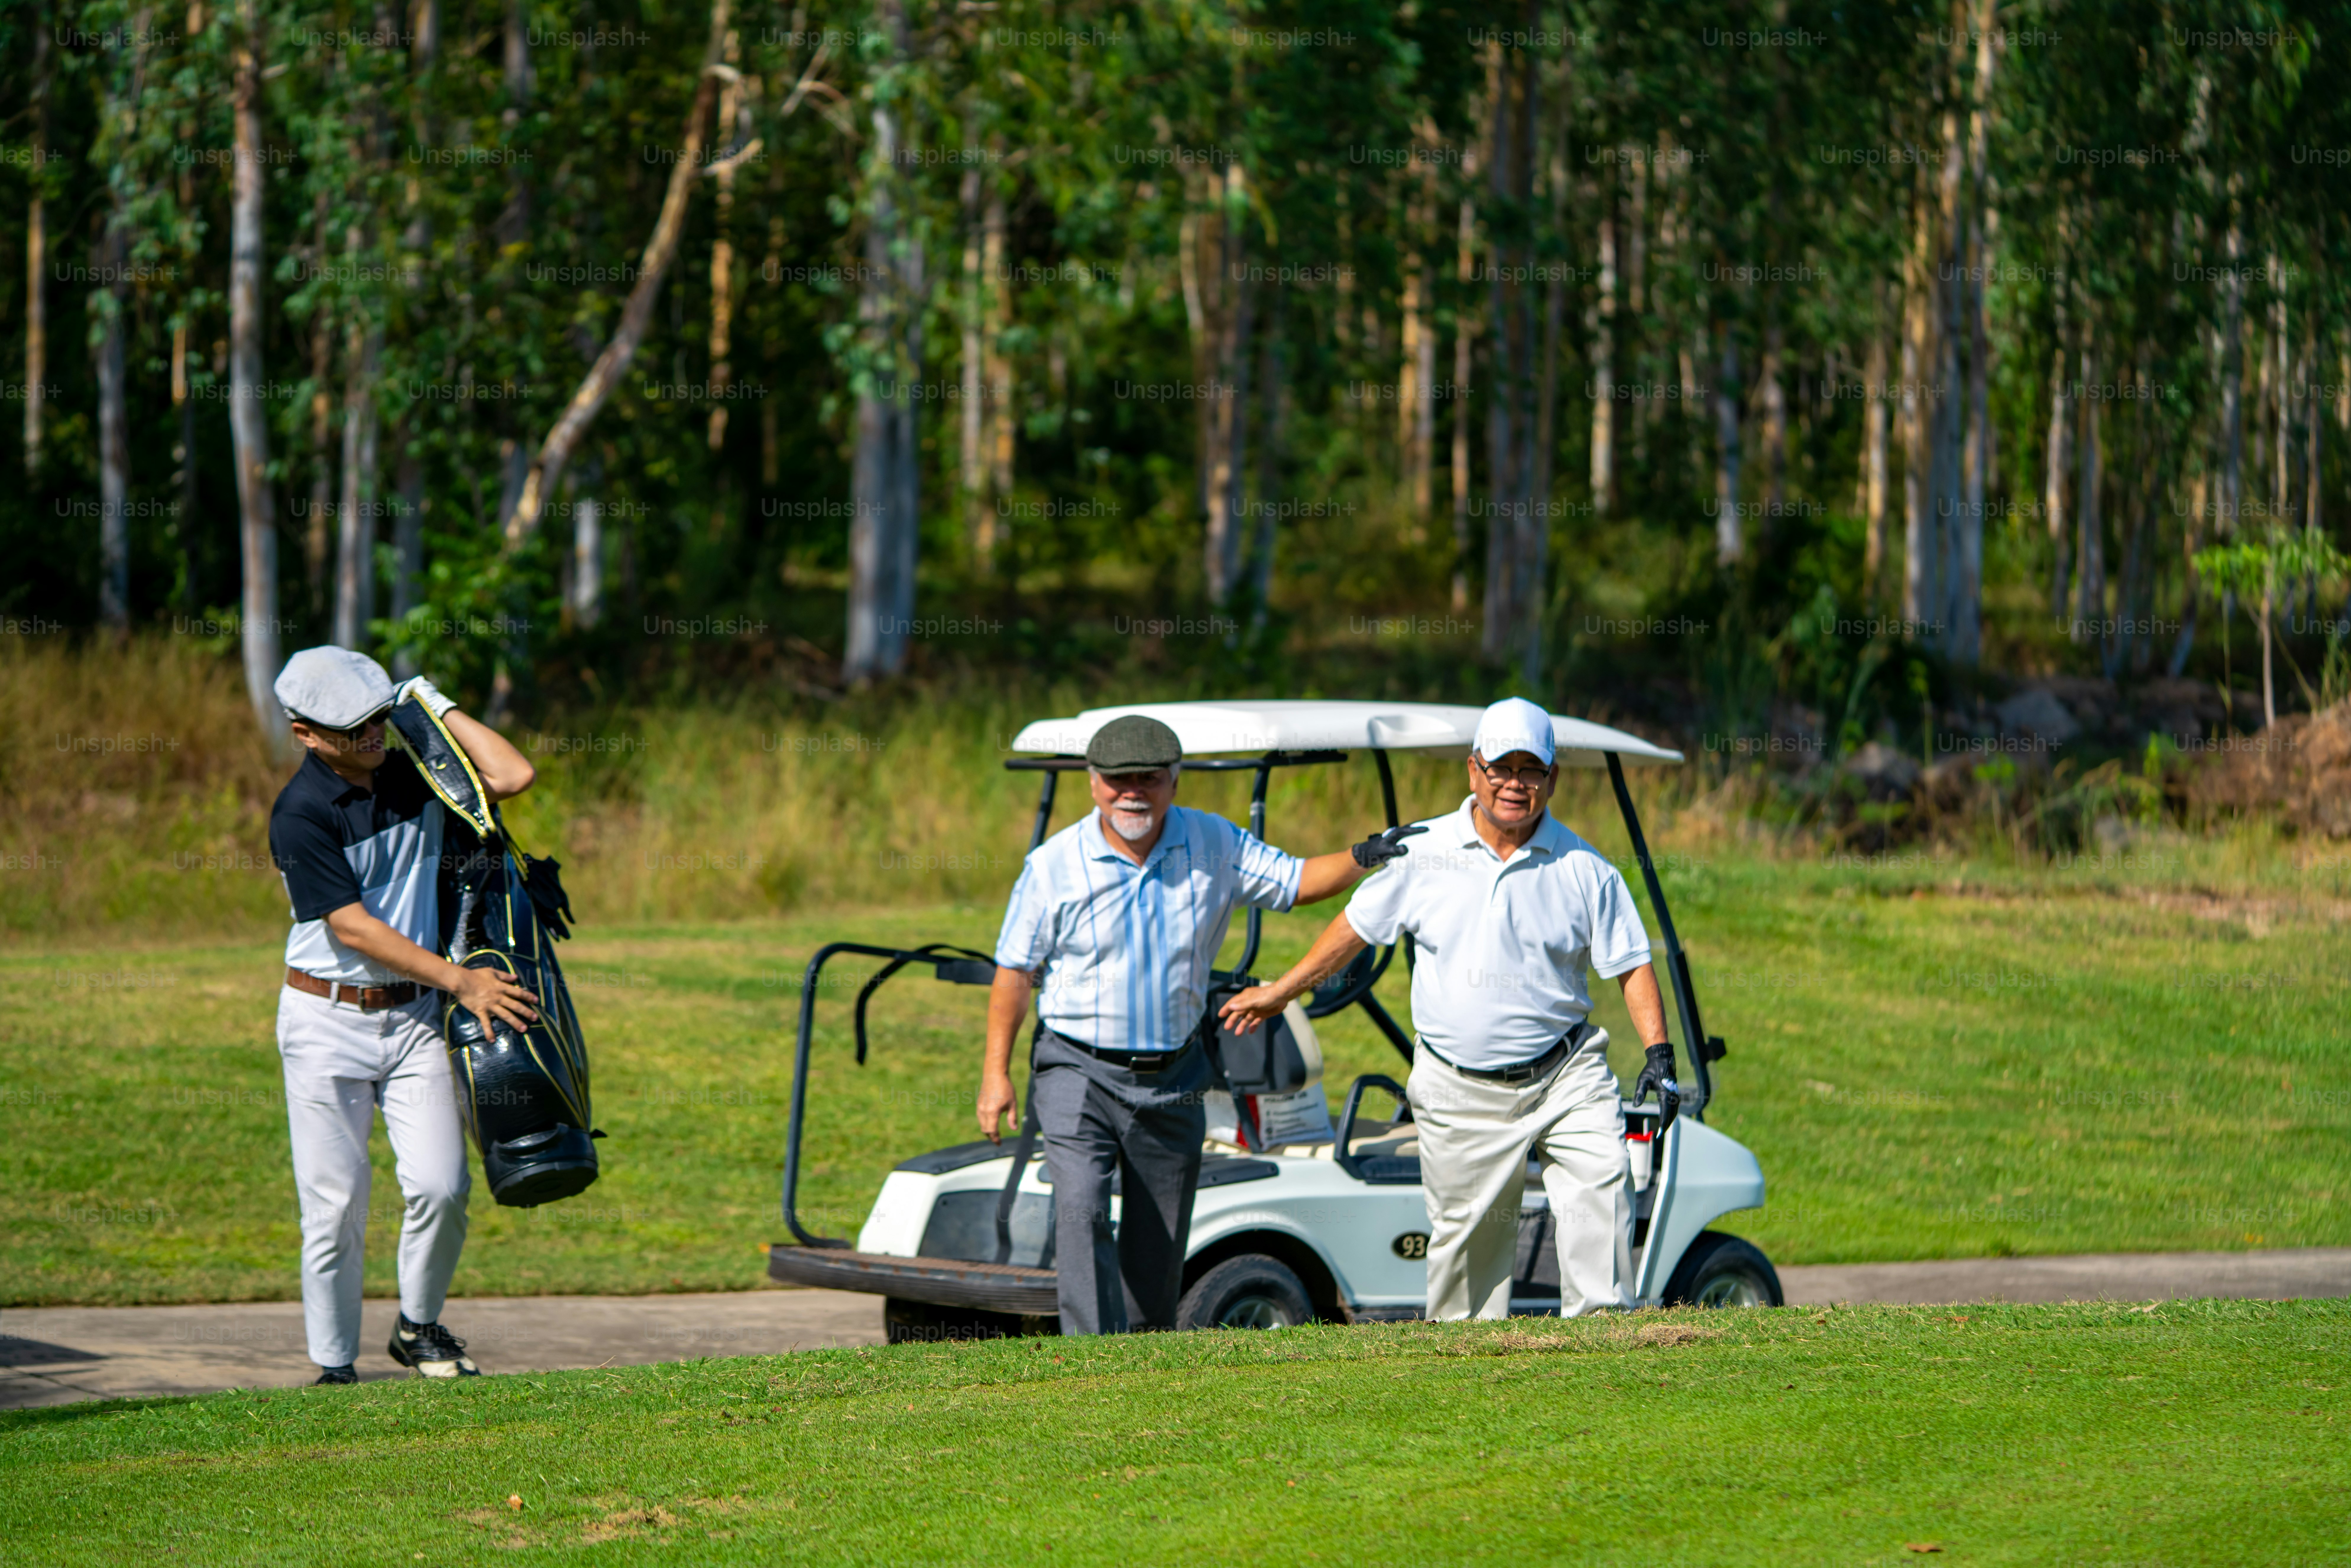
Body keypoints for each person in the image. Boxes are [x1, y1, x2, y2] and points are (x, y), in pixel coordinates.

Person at [1221, 697, 1678, 1320]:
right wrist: (1281, 992)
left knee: (1604, 1184)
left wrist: (1659, 1054)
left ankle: (1601, 1343)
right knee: (1467, 1265)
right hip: (1459, 1086)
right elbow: (1353, 930)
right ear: (1473, 770)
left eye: (1531, 770)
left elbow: (1631, 963)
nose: (1514, 784)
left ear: (1552, 779)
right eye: (1501, 768)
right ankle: (1464, 1359)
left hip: (1566, 1074)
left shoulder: (1586, 869)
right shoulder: (1424, 853)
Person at [975, 715, 1410, 1335]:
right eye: (1119, 780)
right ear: (1093, 783)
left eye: (1149, 779)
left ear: (1174, 781)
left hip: (1175, 1074)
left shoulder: (1213, 842)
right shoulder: (1053, 865)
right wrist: (995, 1075)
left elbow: (1296, 882)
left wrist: (1364, 855)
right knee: (1080, 1207)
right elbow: (1015, 972)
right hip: (1076, 1067)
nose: (1133, 793)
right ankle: (1090, 1358)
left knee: (1160, 1234)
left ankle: (1145, 1356)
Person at [267, 647, 539, 1384]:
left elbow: (512, 776)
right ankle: (335, 1366)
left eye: (379, 719)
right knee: (335, 1207)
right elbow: (353, 928)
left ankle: (418, 1327)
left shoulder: (412, 770)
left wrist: (428, 700)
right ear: (305, 734)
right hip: (326, 1022)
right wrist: (461, 982)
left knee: (442, 1186)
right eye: (353, 728)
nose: (372, 736)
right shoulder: (300, 812)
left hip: (415, 1017)